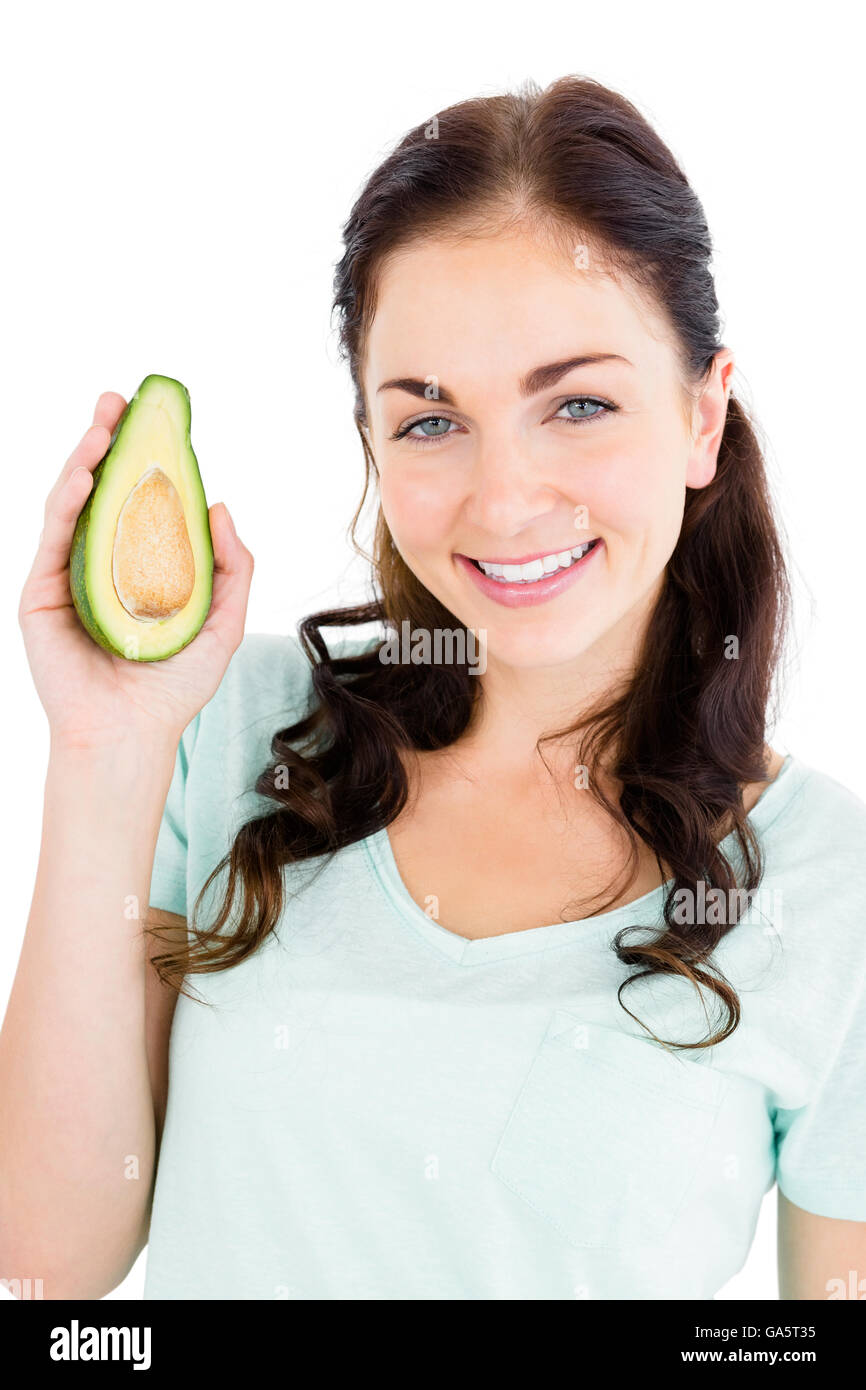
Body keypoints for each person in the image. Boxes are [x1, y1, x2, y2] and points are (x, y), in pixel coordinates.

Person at [5, 74, 866, 1302]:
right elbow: (48, 1266)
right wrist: (104, 748)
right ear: (367, 435)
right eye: (427, 421)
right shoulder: (229, 733)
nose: (503, 499)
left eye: (576, 402)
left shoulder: (834, 892)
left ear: (700, 415)